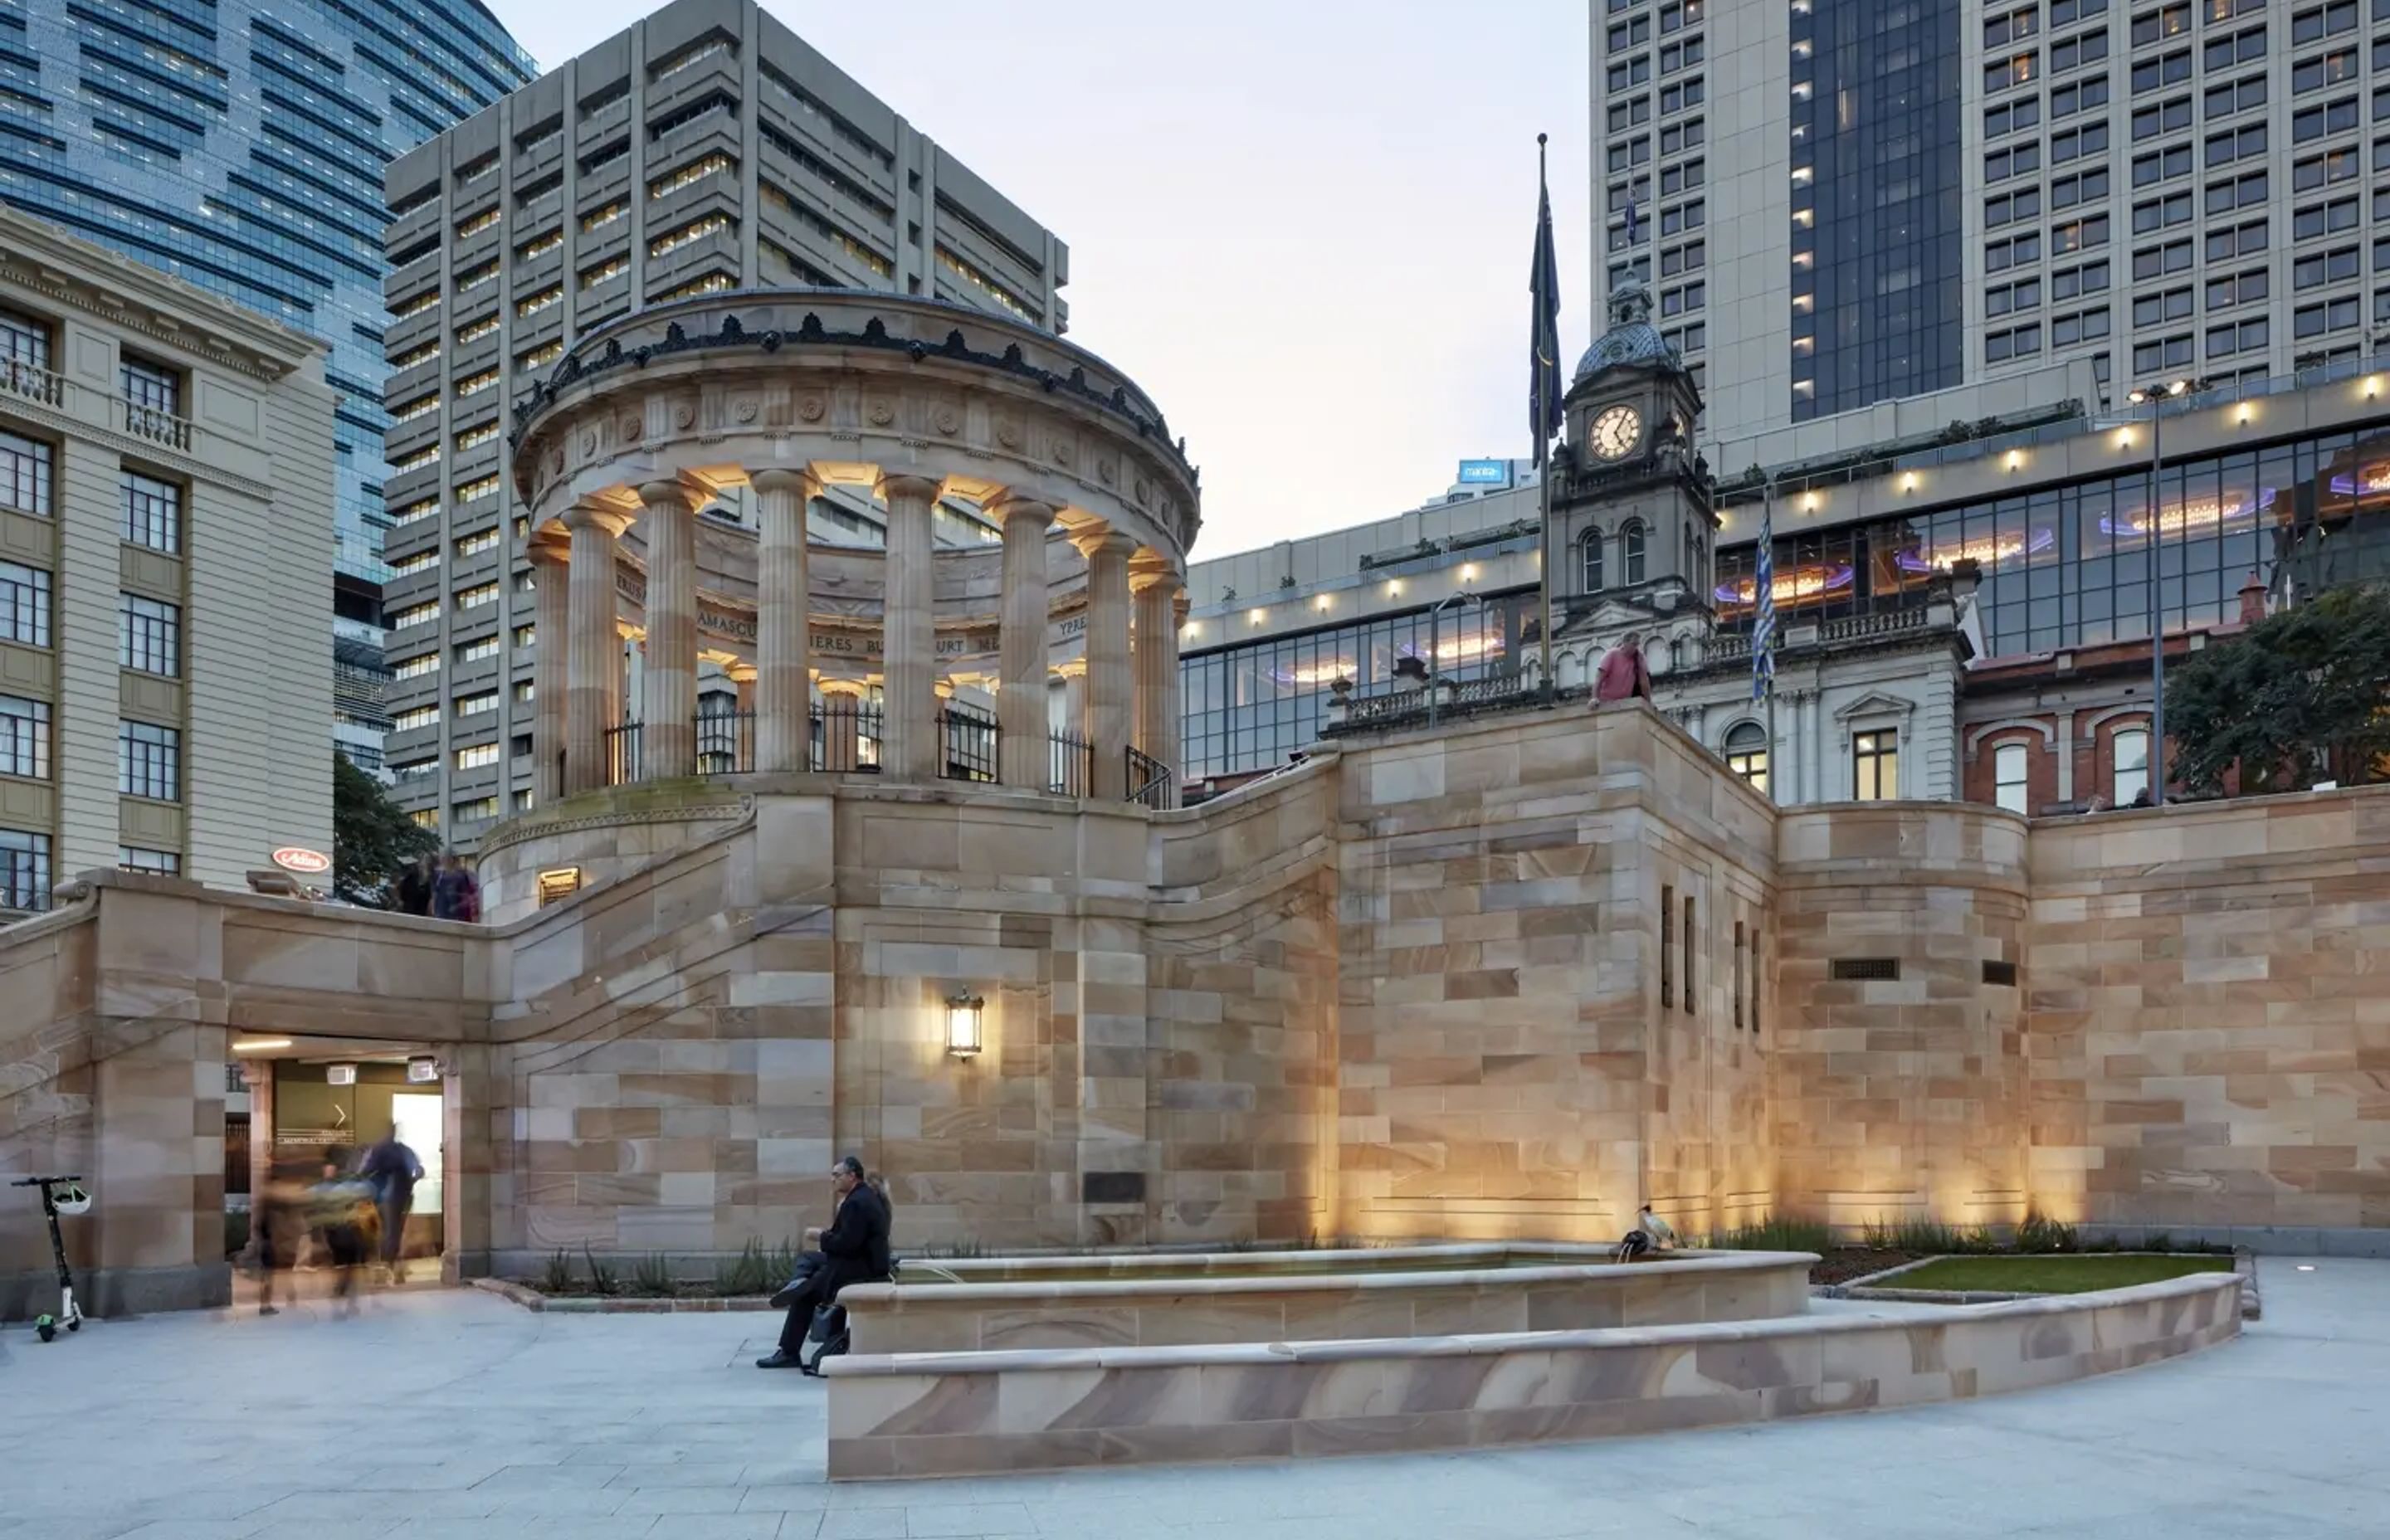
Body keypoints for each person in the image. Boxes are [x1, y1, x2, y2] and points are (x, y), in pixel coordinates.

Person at [757, 1154, 892, 1370]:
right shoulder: (861, 1197)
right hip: (858, 1262)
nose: (833, 1179)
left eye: (837, 1175)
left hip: (859, 1269)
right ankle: (798, 1282)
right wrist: (827, 1239)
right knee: (807, 1258)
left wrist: (821, 1236)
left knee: (804, 1296)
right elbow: (849, 1239)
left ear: (852, 1176)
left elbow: (848, 1244)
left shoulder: (857, 1203)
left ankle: (789, 1352)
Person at [361, 1125, 425, 1282]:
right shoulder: (403, 1151)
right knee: (394, 1231)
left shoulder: (377, 1150)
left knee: (385, 1231)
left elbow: (363, 1171)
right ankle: (390, 1264)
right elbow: (418, 1170)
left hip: (382, 1196)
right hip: (399, 1196)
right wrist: (411, 1182)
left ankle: (385, 1265)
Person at [1593, 633, 1653, 704]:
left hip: (1625, 701)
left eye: (1638, 645)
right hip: (1605, 701)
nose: (1636, 648)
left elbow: (1644, 682)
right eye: (1634, 644)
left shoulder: (1639, 658)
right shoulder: (1612, 654)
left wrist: (1649, 702)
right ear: (1625, 643)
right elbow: (1599, 679)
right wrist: (1595, 698)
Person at [1614, 1202, 1678, 1263]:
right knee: (1657, 1237)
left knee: (1658, 1236)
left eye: (1644, 1209)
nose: (1642, 1211)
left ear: (1646, 1210)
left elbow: (1662, 1231)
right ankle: (1657, 1247)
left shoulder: (1653, 1220)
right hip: (1661, 1233)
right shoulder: (1650, 1219)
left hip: (1666, 1233)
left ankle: (1658, 1247)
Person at [431, 850, 479, 922]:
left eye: (444, 859)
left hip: (459, 918)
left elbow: (468, 896)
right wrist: (434, 910)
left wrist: (457, 906)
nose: (443, 862)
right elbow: (435, 894)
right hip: (442, 917)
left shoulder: (462, 876)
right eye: (442, 859)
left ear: (451, 860)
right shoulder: (440, 877)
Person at [395, 853, 436, 917]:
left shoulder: (432, 882)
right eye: (420, 865)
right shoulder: (410, 878)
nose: (420, 867)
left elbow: (431, 903)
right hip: (407, 914)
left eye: (423, 866)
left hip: (421, 916)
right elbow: (399, 890)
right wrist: (399, 902)